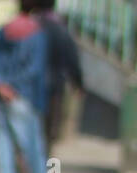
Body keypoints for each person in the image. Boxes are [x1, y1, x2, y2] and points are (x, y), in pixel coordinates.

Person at [0, 0, 65, 173]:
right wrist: (13, 87)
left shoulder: (2, 30)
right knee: (33, 149)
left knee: (4, 147)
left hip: (2, 97)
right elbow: (34, 68)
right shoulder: (36, 34)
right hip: (24, 97)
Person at [34, 0, 82, 150]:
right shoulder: (61, 28)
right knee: (49, 130)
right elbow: (72, 58)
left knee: (32, 127)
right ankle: (46, 166)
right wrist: (78, 82)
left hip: (31, 85)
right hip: (54, 85)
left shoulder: (31, 26)